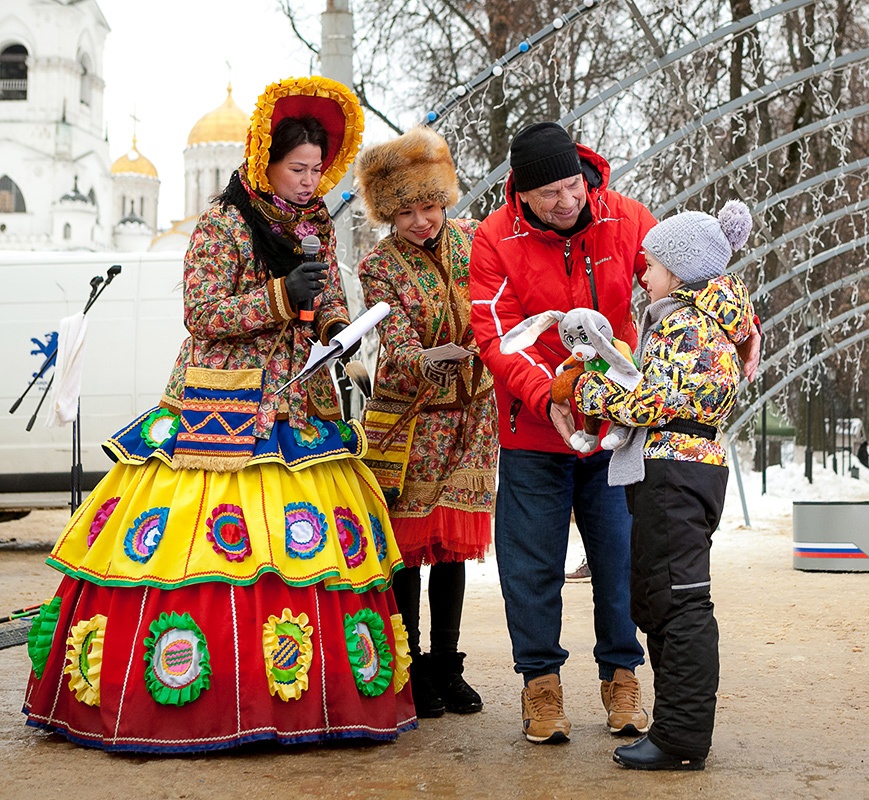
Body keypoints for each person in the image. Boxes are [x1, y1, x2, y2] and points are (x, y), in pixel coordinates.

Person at [21, 77, 416, 752]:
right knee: (218, 557)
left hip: (304, 408)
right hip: (224, 414)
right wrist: (277, 295)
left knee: (305, 559)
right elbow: (202, 316)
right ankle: (214, 701)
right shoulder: (222, 224)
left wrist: (335, 326)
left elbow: (328, 299)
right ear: (265, 161)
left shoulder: (316, 221)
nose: (309, 181)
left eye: (318, 170)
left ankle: (304, 703)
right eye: (298, 169)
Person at [469, 121, 764, 745]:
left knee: (624, 559)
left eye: (572, 184)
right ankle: (540, 685)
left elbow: (691, 275)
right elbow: (496, 332)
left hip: (621, 432)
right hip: (535, 434)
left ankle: (622, 677)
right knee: (531, 565)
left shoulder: (626, 217)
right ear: (520, 194)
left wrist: (741, 325)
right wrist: (550, 390)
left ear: (585, 172)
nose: (567, 200)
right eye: (549, 193)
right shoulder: (495, 240)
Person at [575, 200, 757, 771]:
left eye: (650, 264)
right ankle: (676, 728)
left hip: (675, 468)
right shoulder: (714, 320)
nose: (642, 273)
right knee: (664, 596)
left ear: (677, 270)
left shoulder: (684, 323)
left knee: (679, 603)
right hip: (685, 466)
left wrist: (588, 393)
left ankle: (680, 736)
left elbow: (657, 400)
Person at [355, 126, 497, 718]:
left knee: (453, 546)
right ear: (389, 213)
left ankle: (447, 663)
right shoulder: (378, 267)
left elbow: (497, 304)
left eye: (430, 205)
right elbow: (393, 338)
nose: (422, 221)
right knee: (411, 548)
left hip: (472, 418)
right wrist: (425, 359)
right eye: (407, 211)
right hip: (413, 421)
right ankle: (411, 668)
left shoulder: (473, 241)